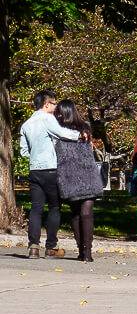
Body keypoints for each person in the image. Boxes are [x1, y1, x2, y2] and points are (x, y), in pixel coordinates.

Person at [19, 89, 81, 259]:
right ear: (47, 104)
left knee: (36, 208)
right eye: (54, 103)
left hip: (35, 170)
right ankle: (51, 246)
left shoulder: (26, 124)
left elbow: (24, 151)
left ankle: (33, 245)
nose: (55, 106)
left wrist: (36, 155)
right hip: (51, 169)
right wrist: (80, 135)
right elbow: (62, 133)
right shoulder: (47, 119)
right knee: (54, 207)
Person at [53, 100, 104, 262]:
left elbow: (87, 149)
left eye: (60, 111)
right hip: (73, 175)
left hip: (81, 174)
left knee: (83, 212)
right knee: (78, 213)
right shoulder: (60, 129)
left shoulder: (81, 128)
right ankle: (82, 250)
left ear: (66, 112)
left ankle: (87, 251)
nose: (57, 114)